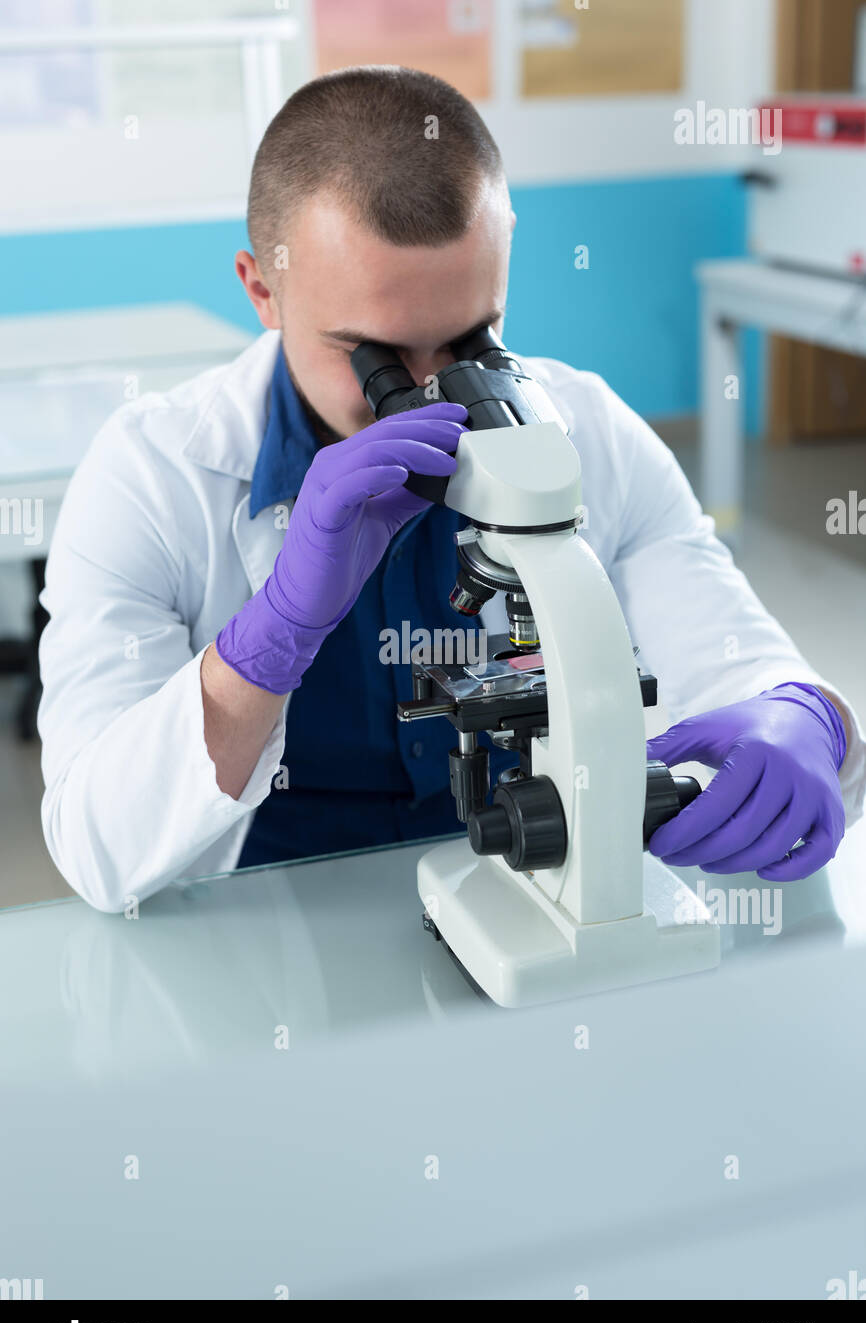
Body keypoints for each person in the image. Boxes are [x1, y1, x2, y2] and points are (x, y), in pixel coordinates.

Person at [37, 67, 865, 914]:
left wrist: (805, 717)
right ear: (263, 288)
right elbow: (94, 845)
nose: (435, 396)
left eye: (475, 340)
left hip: (525, 891)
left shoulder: (587, 430)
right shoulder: (151, 474)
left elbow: (731, 653)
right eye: (376, 360)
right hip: (273, 917)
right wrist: (271, 636)